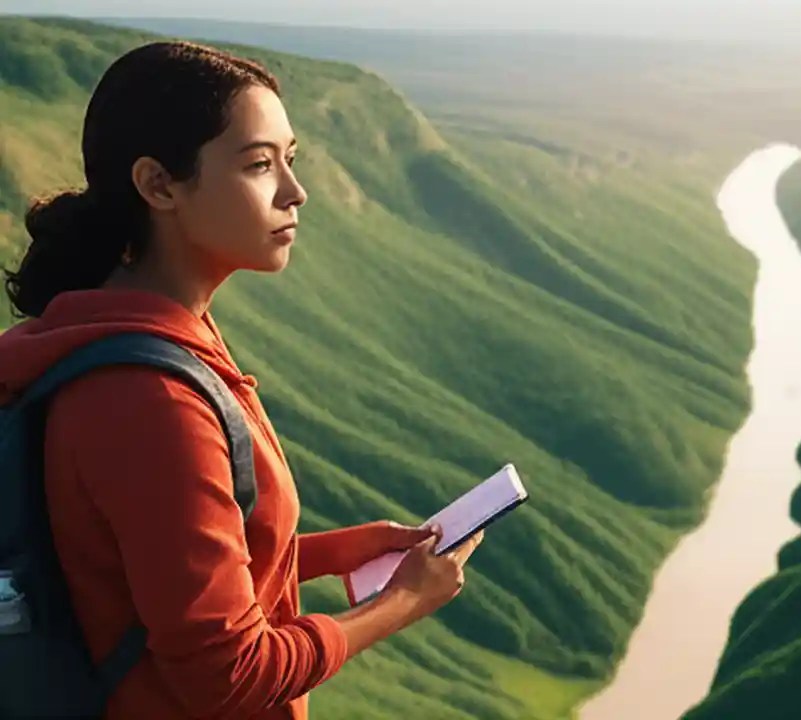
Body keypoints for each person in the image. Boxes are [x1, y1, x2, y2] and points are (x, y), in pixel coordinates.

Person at [0, 40, 483, 718]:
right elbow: (225, 674)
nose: (296, 191)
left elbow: (161, 565)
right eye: (260, 164)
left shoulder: (138, 343)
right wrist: (402, 601)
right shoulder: (150, 399)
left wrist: (330, 552)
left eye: (291, 159)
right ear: (158, 185)